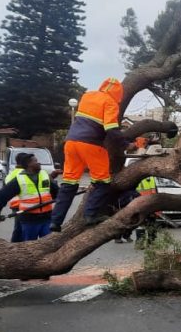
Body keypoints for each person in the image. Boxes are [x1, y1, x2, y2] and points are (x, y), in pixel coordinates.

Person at [51, 77, 127, 231]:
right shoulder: (110, 102)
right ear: (118, 93)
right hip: (91, 144)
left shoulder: (87, 96)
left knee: (69, 184)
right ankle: (90, 215)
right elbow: (111, 129)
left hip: (71, 143)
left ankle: (55, 222)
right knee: (103, 182)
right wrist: (126, 144)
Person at [0, 153, 57, 241]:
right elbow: (1, 196)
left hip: (46, 218)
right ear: (28, 165)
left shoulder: (44, 175)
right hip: (29, 219)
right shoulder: (19, 179)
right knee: (29, 245)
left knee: (49, 243)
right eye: (35, 161)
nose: (38, 163)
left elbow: (56, 191)